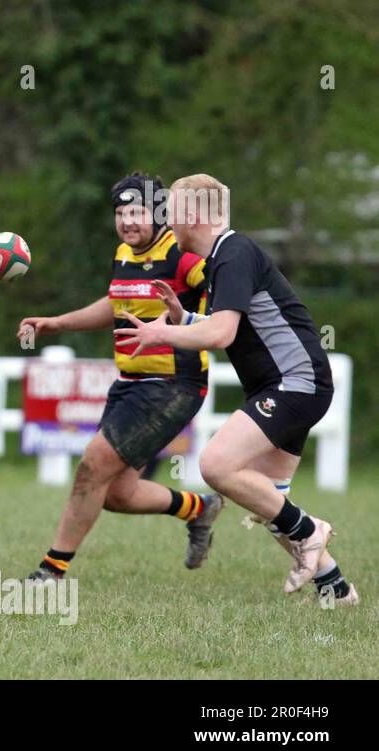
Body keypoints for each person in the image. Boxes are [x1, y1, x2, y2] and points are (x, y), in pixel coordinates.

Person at [115, 173, 356, 607]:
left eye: (171, 213)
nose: (167, 224)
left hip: (295, 382)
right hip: (288, 383)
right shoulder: (219, 261)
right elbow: (227, 325)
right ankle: (336, 588)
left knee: (217, 465)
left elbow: (223, 334)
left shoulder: (234, 253)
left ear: (193, 214)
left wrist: (162, 336)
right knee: (268, 500)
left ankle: (311, 530)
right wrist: (181, 318)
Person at [18, 173, 224, 582]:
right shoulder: (124, 255)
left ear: (160, 213)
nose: (128, 221)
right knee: (116, 494)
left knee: (91, 466)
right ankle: (199, 509)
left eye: (138, 212)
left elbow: (229, 297)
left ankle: (51, 570)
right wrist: (57, 323)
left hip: (173, 387)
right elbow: (115, 303)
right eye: (121, 212)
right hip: (129, 385)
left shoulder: (183, 256)